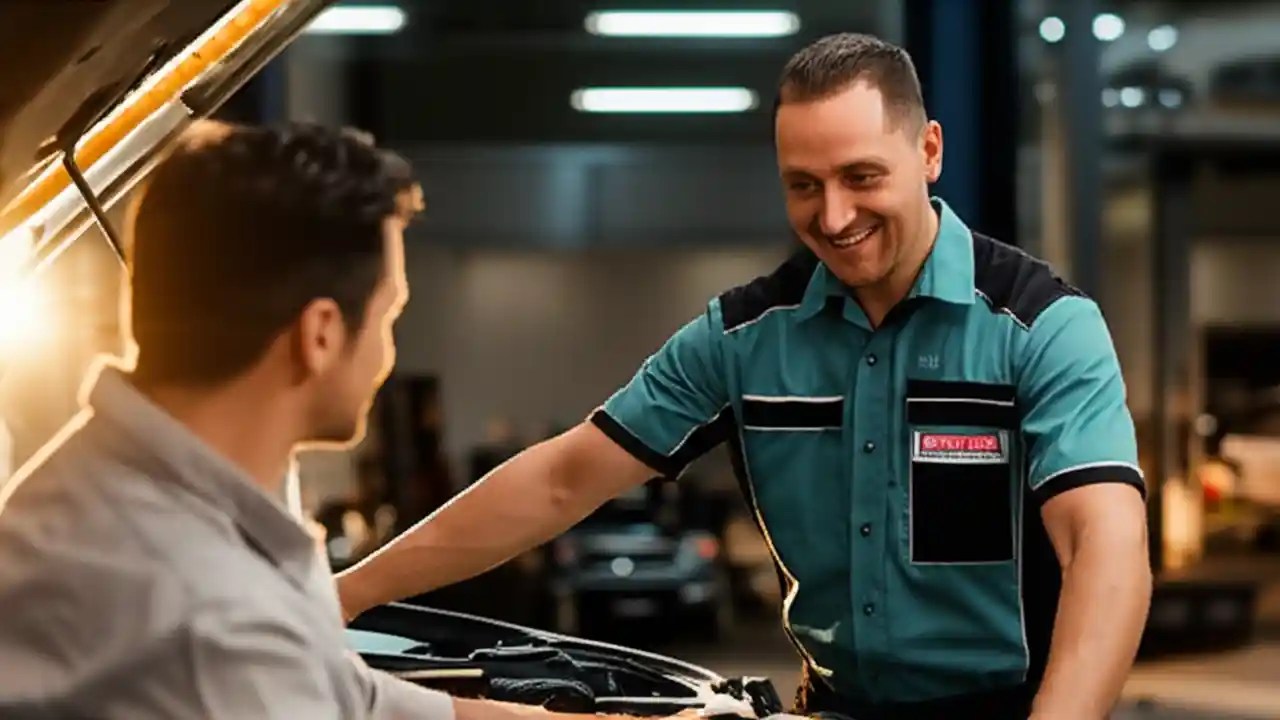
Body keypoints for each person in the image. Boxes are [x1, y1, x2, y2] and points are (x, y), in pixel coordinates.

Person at [336, 33, 1152, 720]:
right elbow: (561, 480)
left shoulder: (1042, 328)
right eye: (804, 186)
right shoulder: (743, 339)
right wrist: (343, 593)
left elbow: (1105, 550)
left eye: (862, 177)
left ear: (928, 151)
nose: (834, 217)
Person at [0, 120, 637, 720]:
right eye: (389, 317)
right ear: (322, 334)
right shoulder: (211, 625)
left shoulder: (137, 488)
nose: (387, 352)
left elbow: (354, 696)